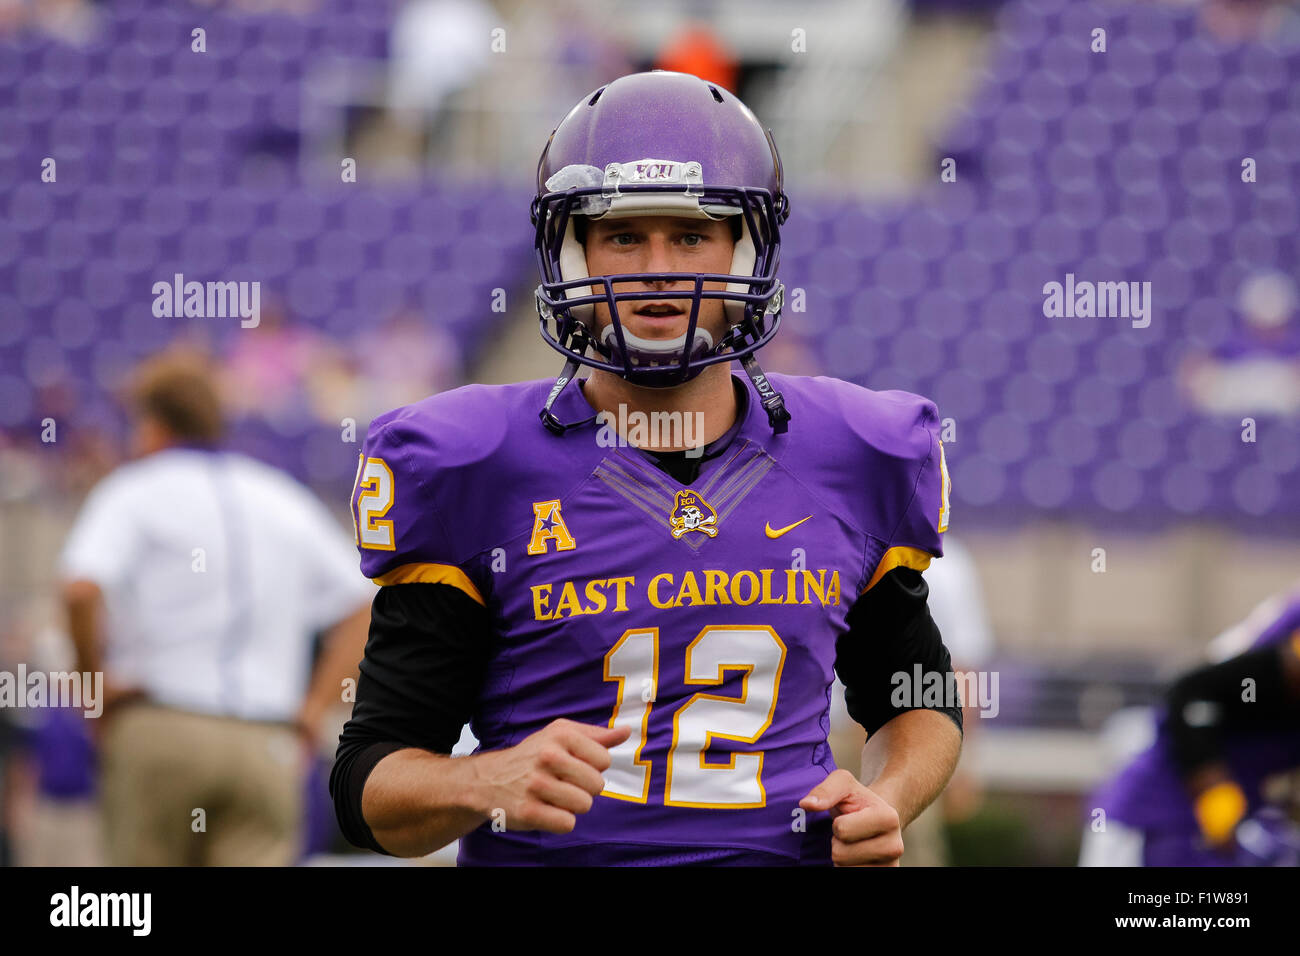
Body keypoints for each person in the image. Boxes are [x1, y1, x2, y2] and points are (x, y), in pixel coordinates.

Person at [331, 71, 962, 866]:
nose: (658, 267)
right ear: (574, 256)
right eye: (624, 236)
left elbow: (918, 694)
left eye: (692, 235)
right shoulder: (476, 464)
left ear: (746, 247)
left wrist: (890, 795)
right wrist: (486, 782)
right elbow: (367, 787)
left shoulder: (850, 450)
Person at [58, 350, 373, 866]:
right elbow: (363, 602)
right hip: (267, 740)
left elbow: (79, 588)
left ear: (151, 425)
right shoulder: (282, 496)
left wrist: (92, 690)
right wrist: (314, 708)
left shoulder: (134, 490)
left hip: (161, 727)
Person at [1079, 587, 1300, 866]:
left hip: (1229, 832)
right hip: (1152, 821)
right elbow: (1192, 692)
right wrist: (1214, 790)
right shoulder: (1260, 672)